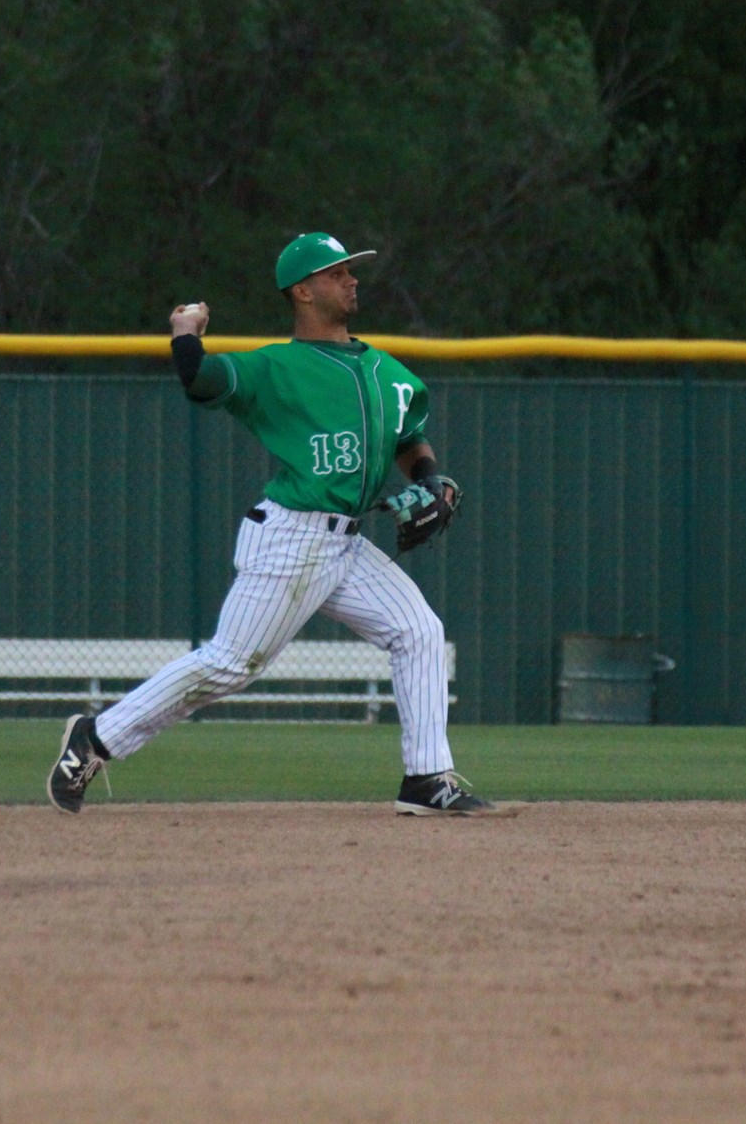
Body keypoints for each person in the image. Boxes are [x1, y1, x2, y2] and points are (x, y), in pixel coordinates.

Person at [47, 232, 493, 816]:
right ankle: (95, 738)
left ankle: (427, 779)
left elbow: (409, 439)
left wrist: (431, 479)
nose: (351, 280)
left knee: (419, 631)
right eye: (336, 273)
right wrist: (185, 334)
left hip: (347, 544)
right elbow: (200, 379)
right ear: (302, 291)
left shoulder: (387, 370)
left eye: (350, 271)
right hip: (292, 538)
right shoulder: (273, 367)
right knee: (230, 665)